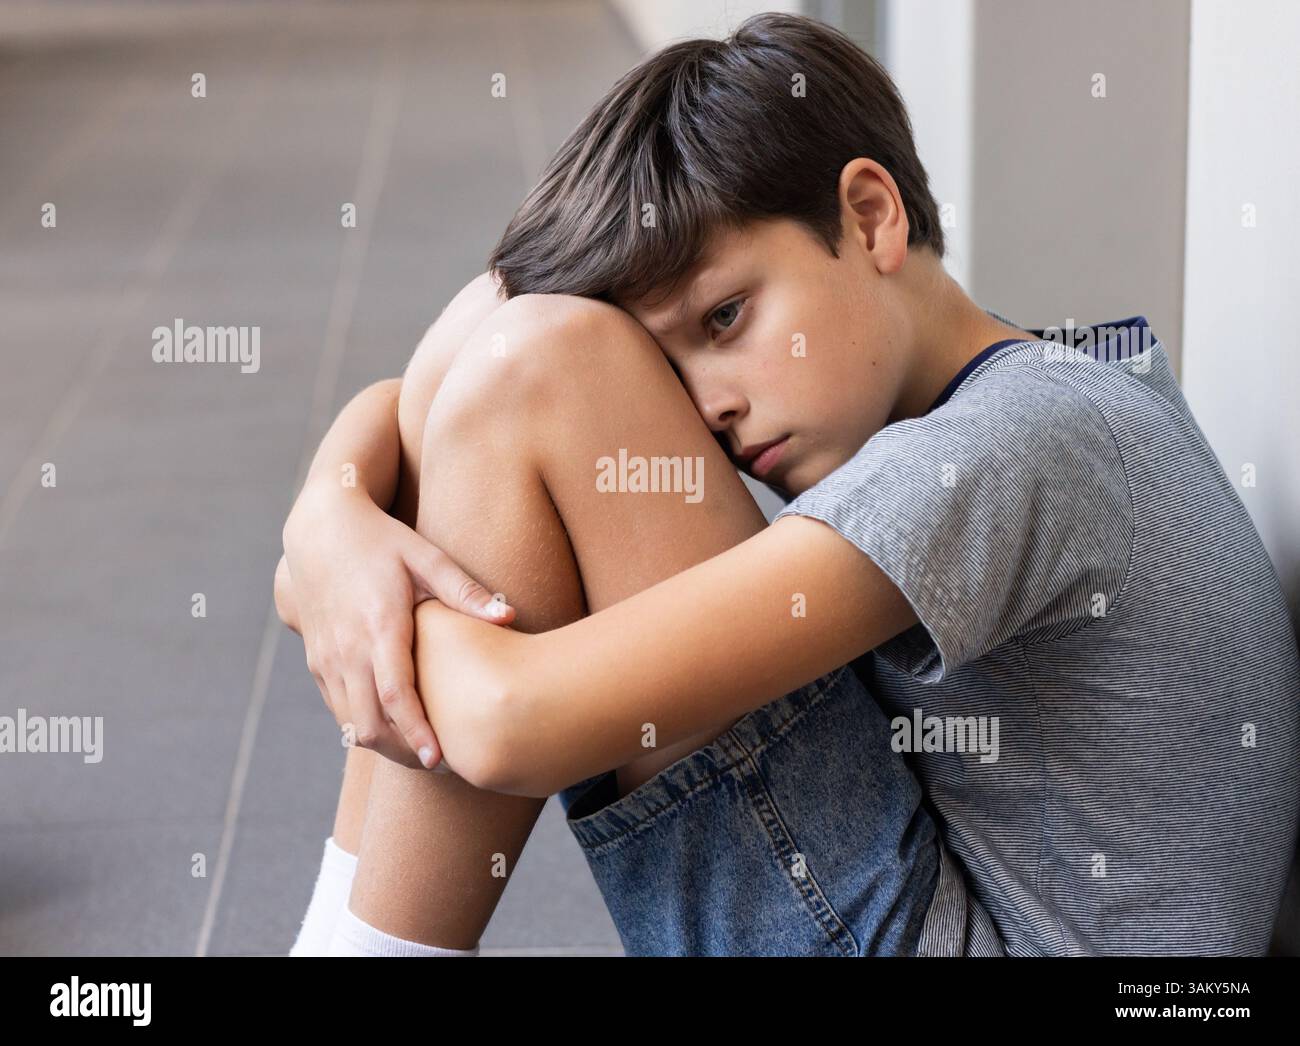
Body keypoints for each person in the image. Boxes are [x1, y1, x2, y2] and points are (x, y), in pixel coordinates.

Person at [275, 12, 1300, 957]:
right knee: (502, 322)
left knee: (540, 361)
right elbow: (437, 362)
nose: (706, 406)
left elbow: (505, 722)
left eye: (724, 319)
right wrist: (333, 518)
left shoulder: (1000, 449)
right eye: (671, 369)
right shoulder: (1050, 390)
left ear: (868, 216)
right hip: (969, 902)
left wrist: (350, 593)